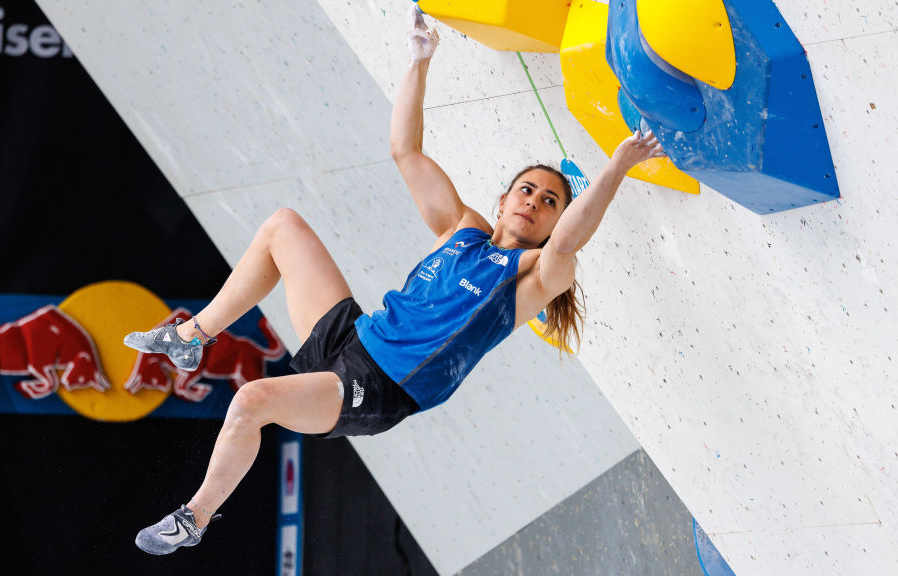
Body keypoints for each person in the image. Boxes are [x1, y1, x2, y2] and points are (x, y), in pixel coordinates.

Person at [126, 6, 665, 555]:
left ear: (554, 224)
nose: (534, 202)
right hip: (352, 338)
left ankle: (194, 517)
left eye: (550, 202)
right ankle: (190, 337)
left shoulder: (534, 278)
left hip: (380, 389)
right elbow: (405, 151)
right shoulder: (463, 229)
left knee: (251, 403)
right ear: (503, 200)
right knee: (282, 227)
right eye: (526, 190)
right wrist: (419, 61)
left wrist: (616, 166)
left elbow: (572, 240)